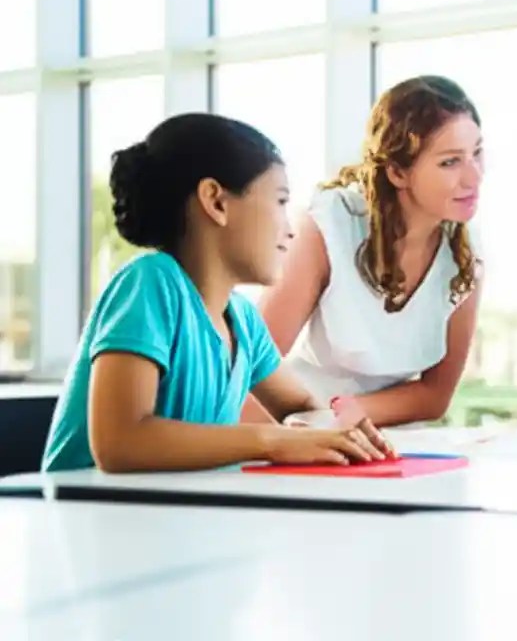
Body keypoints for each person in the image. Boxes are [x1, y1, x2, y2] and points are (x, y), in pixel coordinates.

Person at [43, 113, 394, 472]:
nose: (290, 231)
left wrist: (340, 430)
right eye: (280, 201)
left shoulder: (241, 319)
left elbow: (299, 404)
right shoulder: (149, 285)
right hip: (86, 516)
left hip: (173, 520)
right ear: (216, 201)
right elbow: (121, 443)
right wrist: (272, 442)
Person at [246, 76, 483, 428]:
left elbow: (435, 397)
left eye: (477, 153)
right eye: (450, 162)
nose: (474, 177)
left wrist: (346, 414)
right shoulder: (326, 228)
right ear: (398, 173)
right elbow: (248, 370)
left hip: (385, 436)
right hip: (299, 426)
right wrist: (310, 428)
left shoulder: (464, 255)